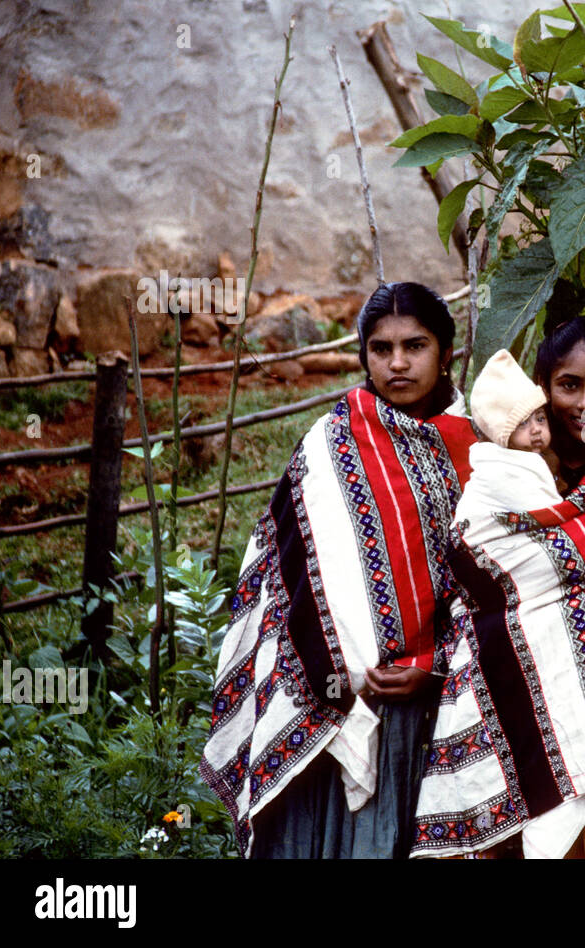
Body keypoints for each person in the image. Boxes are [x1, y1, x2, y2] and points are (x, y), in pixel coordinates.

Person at [201, 282, 476, 858]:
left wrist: (432, 667)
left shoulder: (478, 449)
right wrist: (336, 667)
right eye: (381, 349)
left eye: (415, 345)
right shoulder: (330, 443)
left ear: (445, 352)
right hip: (326, 703)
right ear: (363, 356)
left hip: (436, 702)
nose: (397, 363)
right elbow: (283, 571)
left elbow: (496, 582)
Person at [410, 325, 585, 858]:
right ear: (541, 389)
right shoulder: (498, 478)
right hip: (502, 711)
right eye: (567, 385)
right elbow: (472, 579)